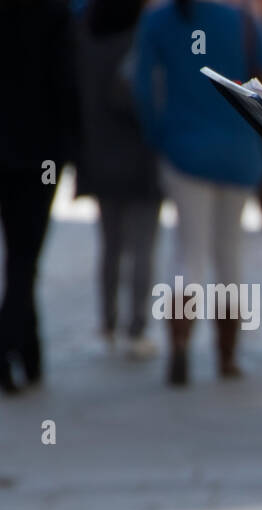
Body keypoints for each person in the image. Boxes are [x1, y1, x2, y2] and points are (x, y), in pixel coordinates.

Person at [133, 0, 262, 386]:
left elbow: (142, 86)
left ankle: (180, 347)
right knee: (230, 252)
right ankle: (227, 355)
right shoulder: (241, 21)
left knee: (189, 253)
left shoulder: (159, 21)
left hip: (184, 148)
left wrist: (160, 135)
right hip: (239, 148)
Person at [75, 0, 163, 361]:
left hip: (98, 156)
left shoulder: (82, 38)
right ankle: (136, 326)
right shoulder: (141, 42)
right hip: (139, 157)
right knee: (141, 245)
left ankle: (108, 322)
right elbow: (142, 98)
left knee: (110, 245)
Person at [0, 0, 78, 395]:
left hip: (28, 151)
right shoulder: (53, 13)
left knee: (21, 258)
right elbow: (66, 82)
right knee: (24, 257)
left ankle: (30, 353)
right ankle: (12, 349)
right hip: (38, 153)